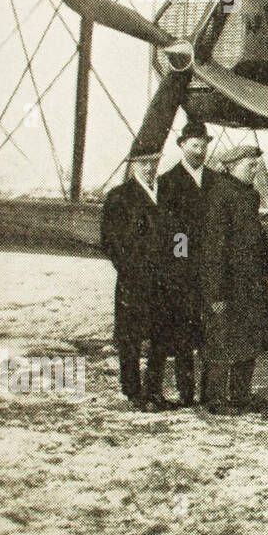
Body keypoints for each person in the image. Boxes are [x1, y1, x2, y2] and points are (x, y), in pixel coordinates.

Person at [199, 144, 268, 414]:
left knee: (247, 340)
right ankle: (216, 400)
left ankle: (241, 395)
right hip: (228, 285)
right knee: (222, 341)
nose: (255, 171)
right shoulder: (220, 195)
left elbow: (253, 236)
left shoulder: (248, 195)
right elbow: (214, 249)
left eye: (256, 165)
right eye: (250, 165)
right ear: (232, 166)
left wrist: (266, 261)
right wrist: (216, 293)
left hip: (249, 283)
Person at [101, 140, 171, 410]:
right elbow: (111, 241)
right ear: (132, 166)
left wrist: (180, 258)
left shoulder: (164, 194)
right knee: (131, 337)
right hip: (135, 280)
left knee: (161, 336)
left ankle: (154, 390)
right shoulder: (120, 197)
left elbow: (179, 233)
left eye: (154, 163)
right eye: (143, 163)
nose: (149, 168)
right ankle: (132, 391)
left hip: (164, 280)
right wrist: (130, 269)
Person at [156, 119, 215, 406]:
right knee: (182, 334)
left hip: (210, 268)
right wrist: (182, 262)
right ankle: (185, 390)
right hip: (185, 271)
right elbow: (172, 230)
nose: (200, 151)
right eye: (194, 146)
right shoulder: (168, 182)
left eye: (203, 146)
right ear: (182, 146)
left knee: (210, 333)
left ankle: (208, 390)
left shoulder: (214, 180)